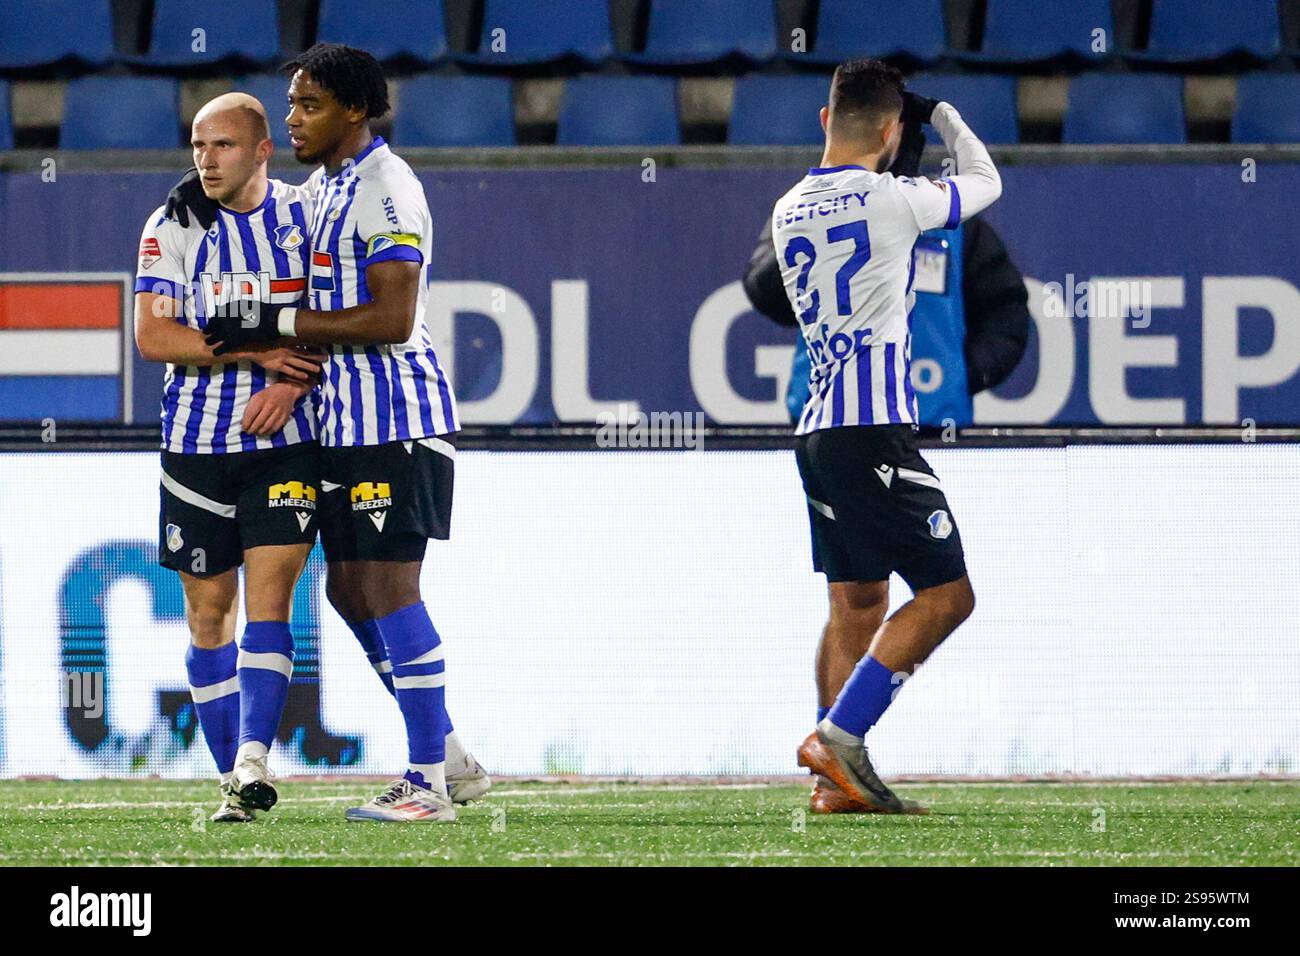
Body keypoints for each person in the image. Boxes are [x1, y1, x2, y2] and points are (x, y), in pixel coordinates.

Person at [192, 44, 484, 823]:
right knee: (350, 588)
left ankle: (427, 782)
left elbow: (391, 318)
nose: (292, 118)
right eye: (289, 103)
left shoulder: (386, 188)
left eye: (309, 104)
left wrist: (274, 322)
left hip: (398, 420)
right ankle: (448, 754)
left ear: (354, 111)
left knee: (389, 588)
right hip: (346, 428)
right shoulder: (329, 187)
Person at [743, 86, 1029, 814]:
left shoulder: (787, 209)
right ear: (893, 129)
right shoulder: (896, 199)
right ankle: (839, 738)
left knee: (857, 600)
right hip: (872, 430)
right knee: (948, 595)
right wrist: (944, 116)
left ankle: (831, 786)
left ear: (823, 123)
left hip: (816, 430)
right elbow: (987, 181)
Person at [135, 92, 326, 822]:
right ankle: (233, 786)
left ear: (262, 149)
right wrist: (258, 349)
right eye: (197, 145)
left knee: (271, 601)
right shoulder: (174, 223)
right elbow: (154, 336)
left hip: (284, 443)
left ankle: (254, 756)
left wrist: (289, 376)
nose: (204, 160)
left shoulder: (304, 218)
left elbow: (340, 314)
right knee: (208, 615)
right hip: (194, 445)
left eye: (221, 146)